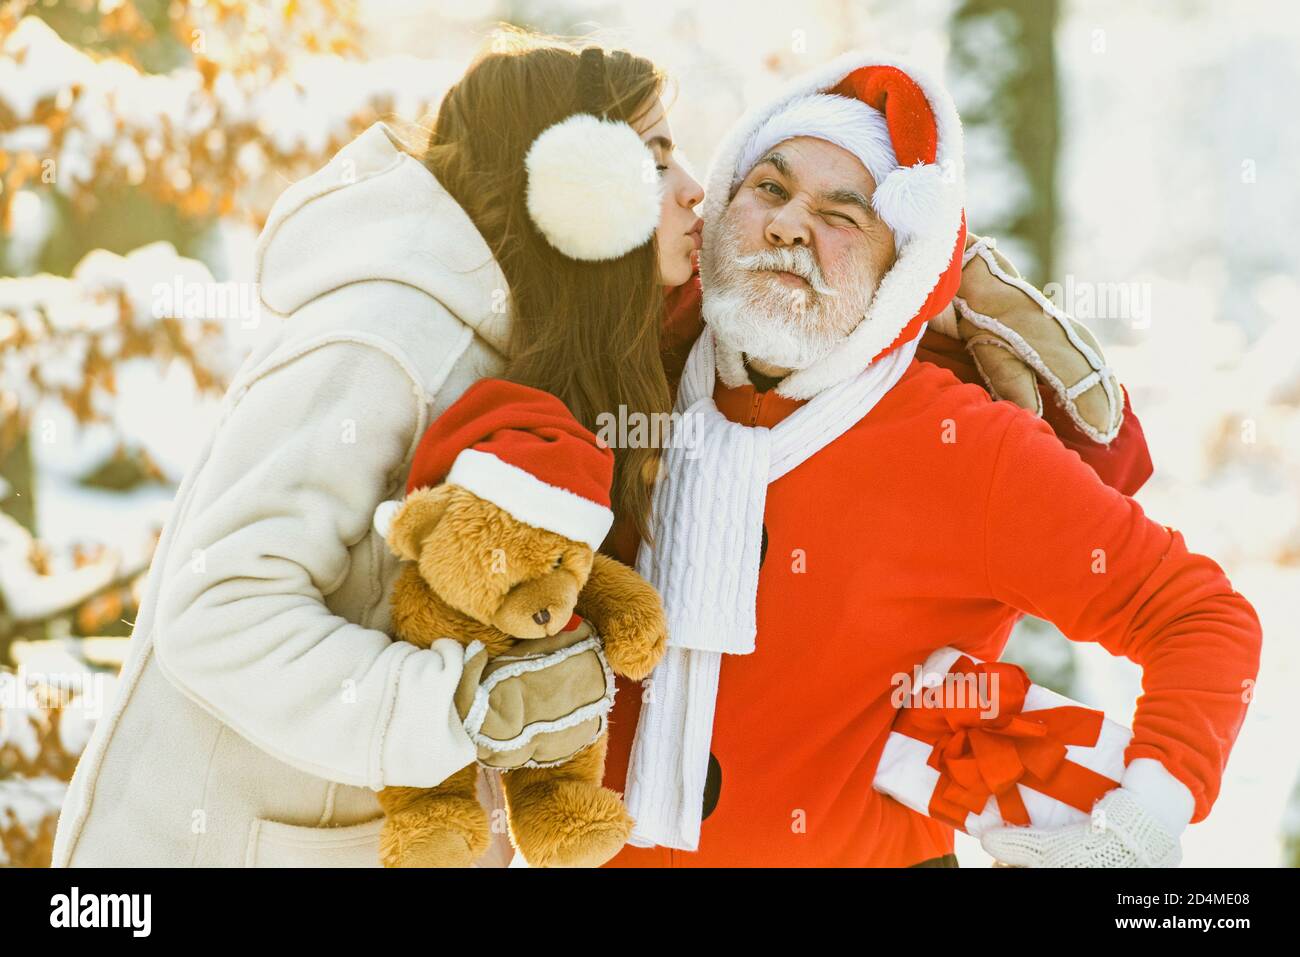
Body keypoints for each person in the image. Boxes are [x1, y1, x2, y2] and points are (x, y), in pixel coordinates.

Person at [50, 31, 706, 868]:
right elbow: (219, 609)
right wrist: (459, 710)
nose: (695, 191)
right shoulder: (385, 340)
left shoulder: (512, 351)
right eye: (654, 159)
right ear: (576, 191)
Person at [598, 51, 1262, 868]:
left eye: (844, 215)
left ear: (899, 271)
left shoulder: (965, 444)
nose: (789, 223)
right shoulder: (631, 368)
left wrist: (1145, 816)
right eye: (768, 188)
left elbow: (1200, 616)